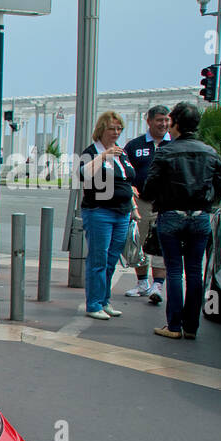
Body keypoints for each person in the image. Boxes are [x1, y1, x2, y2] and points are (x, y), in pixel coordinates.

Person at [142, 101, 221, 340]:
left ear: (176, 124)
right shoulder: (210, 152)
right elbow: (219, 186)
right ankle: (191, 327)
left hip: (171, 215)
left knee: (175, 271)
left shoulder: (166, 151)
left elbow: (150, 188)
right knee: (195, 271)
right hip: (200, 217)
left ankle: (174, 326)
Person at [76, 110, 137, 320]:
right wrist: (103, 157)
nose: (116, 132)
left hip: (122, 212)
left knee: (111, 260)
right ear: (101, 129)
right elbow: (83, 174)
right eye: (112, 128)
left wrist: (133, 207)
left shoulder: (121, 152)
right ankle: (93, 304)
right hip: (99, 211)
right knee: (98, 259)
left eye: (119, 128)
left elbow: (127, 181)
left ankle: (104, 300)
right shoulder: (92, 151)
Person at [122, 105, 172, 302]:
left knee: (162, 245)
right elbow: (125, 174)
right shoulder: (135, 146)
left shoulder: (174, 144)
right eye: (159, 120)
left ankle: (157, 286)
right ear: (149, 121)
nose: (163, 124)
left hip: (166, 205)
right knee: (138, 243)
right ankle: (142, 282)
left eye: (166, 120)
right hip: (141, 203)